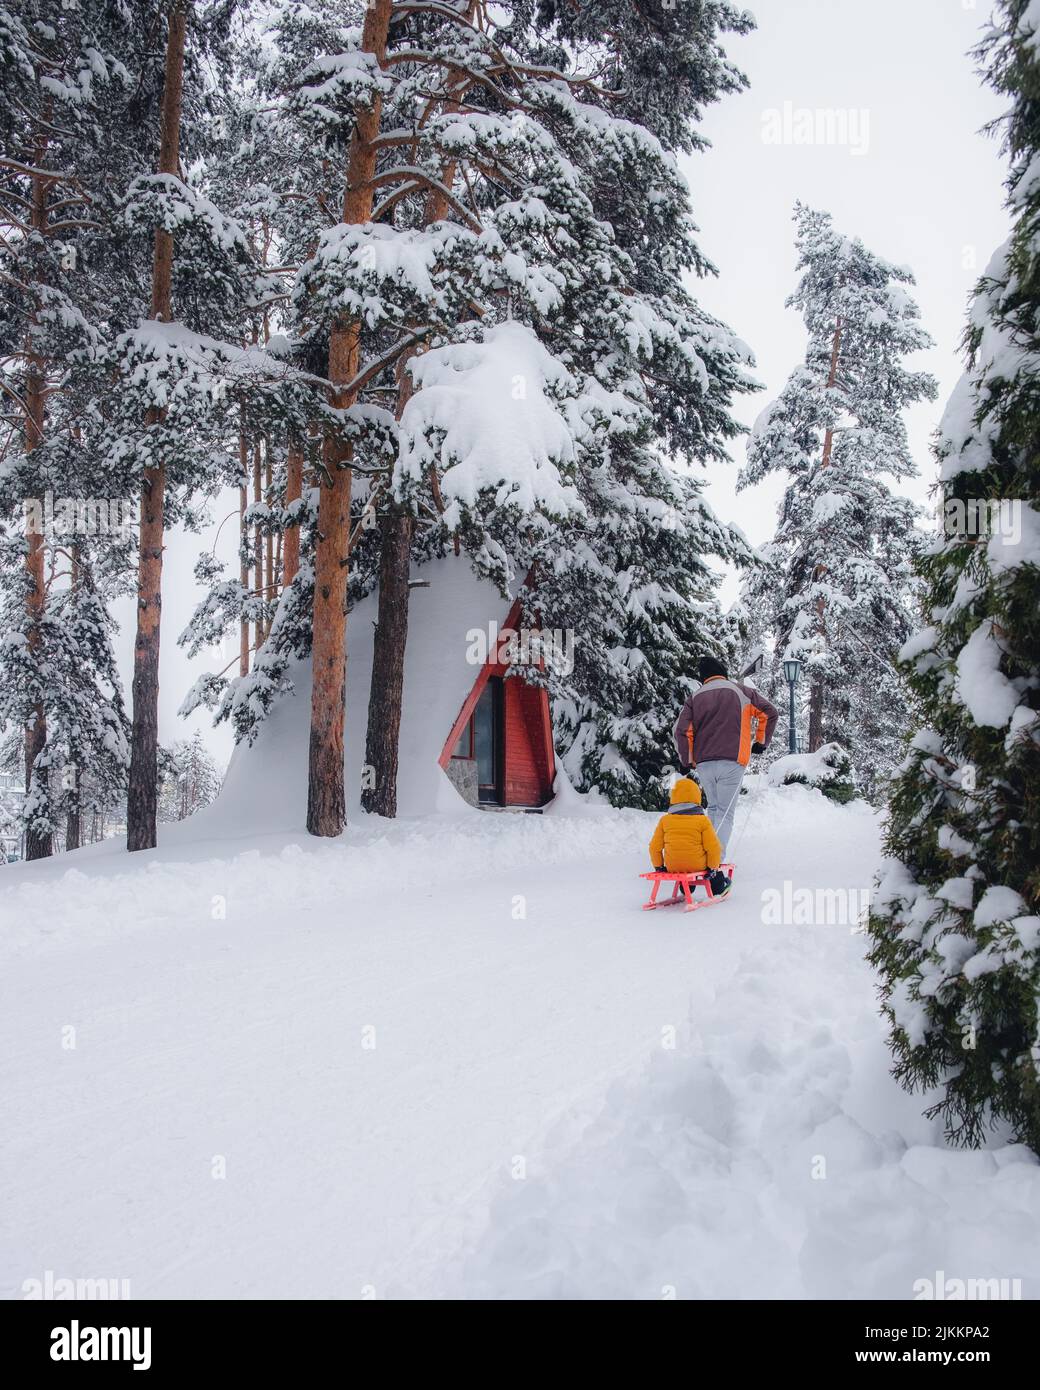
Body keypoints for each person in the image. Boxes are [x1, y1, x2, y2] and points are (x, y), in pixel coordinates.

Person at [672, 656, 778, 858]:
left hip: (704, 763)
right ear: (722, 671)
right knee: (725, 814)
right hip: (732, 760)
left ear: (703, 677)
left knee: (712, 809)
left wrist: (686, 761)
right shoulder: (741, 691)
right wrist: (761, 742)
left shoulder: (695, 698)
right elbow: (769, 712)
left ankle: (705, 858)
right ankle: (715, 864)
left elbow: (681, 731)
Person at [648, 776, 730, 897]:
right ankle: (719, 888)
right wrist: (713, 868)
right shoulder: (702, 821)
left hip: (673, 866)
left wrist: (659, 866)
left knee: (683, 860)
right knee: (711, 863)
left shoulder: (665, 821)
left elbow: (654, 847)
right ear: (697, 797)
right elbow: (714, 848)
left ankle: (686, 886)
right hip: (697, 865)